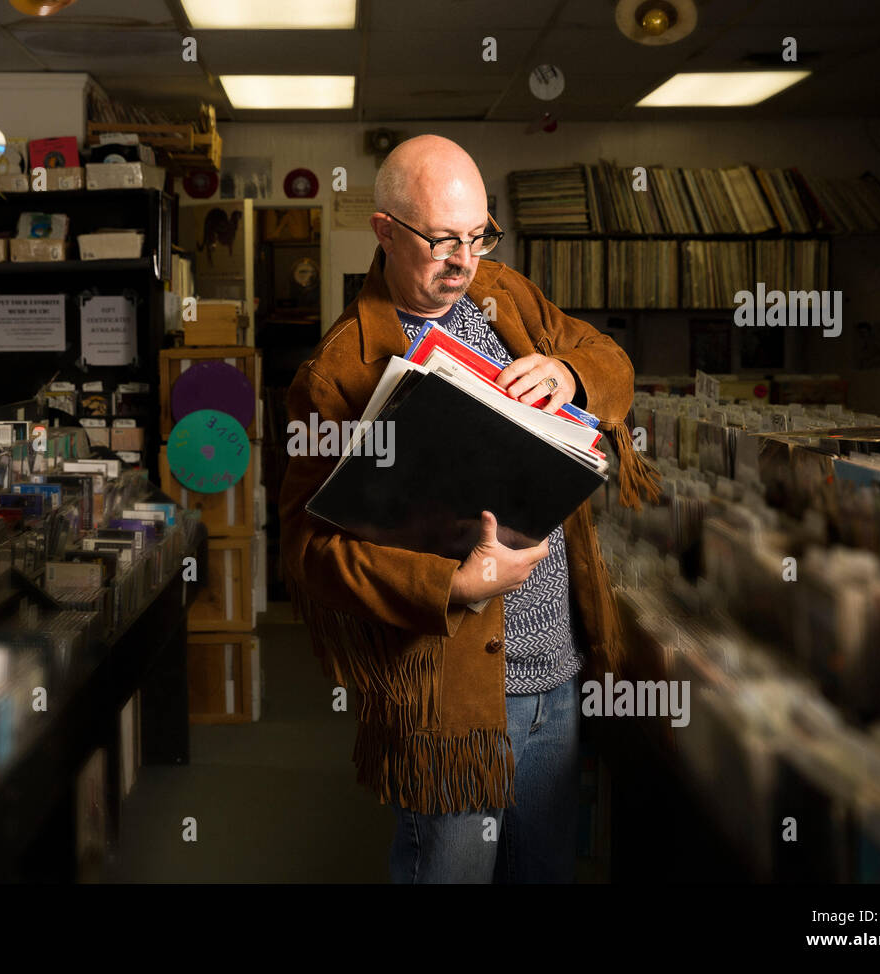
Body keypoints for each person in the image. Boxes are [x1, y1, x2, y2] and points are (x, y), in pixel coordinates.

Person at [279, 134, 657, 883]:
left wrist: (569, 373)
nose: (464, 261)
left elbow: (610, 358)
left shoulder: (505, 295)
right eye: (442, 240)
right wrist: (450, 587)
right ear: (384, 231)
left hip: (559, 671)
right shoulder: (336, 374)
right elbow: (308, 554)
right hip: (453, 701)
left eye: (479, 235)